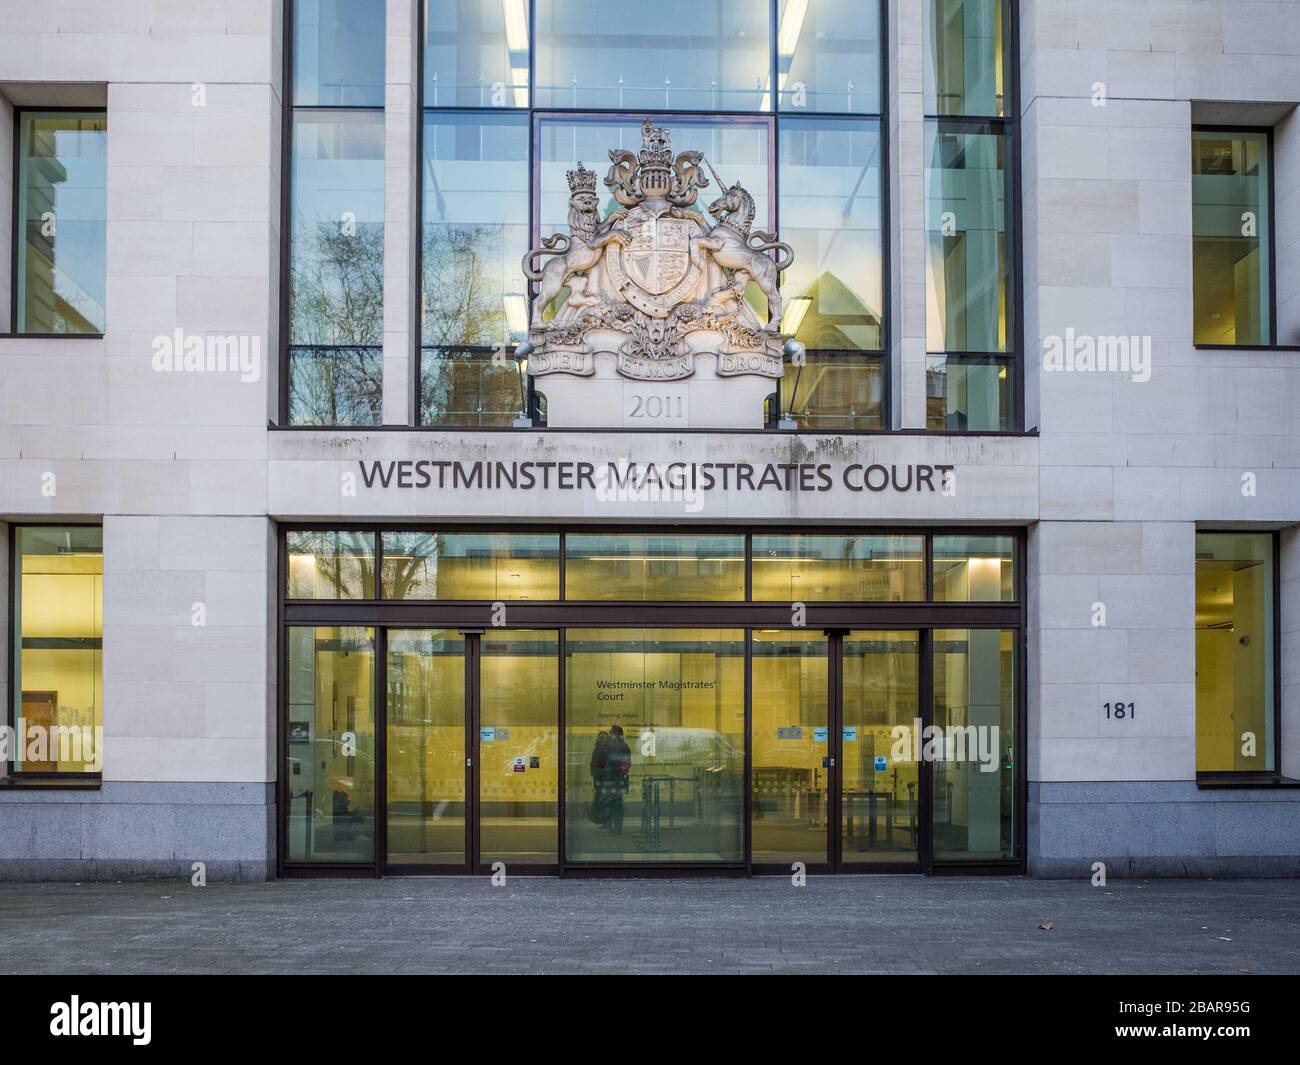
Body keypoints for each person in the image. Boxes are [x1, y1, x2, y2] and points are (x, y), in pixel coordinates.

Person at [607, 725, 632, 835]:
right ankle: (616, 826)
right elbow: (628, 764)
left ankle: (617, 827)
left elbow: (627, 763)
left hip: (616, 778)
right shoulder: (623, 746)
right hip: (619, 778)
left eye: (611, 733)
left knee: (615, 802)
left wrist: (613, 768)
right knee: (616, 802)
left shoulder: (618, 747)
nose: (610, 735)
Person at [589, 731, 612, 827]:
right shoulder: (597, 749)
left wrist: (599, 770)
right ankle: (604, 821)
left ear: (607, 739)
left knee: (606, 800)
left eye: (603, 737)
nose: (601, 739)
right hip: (598, 777)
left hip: (605, 778)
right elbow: (594, 763)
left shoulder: (607, 749)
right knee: (601, 800)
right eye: (600, 737)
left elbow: (604, 763)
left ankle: (608, 821)